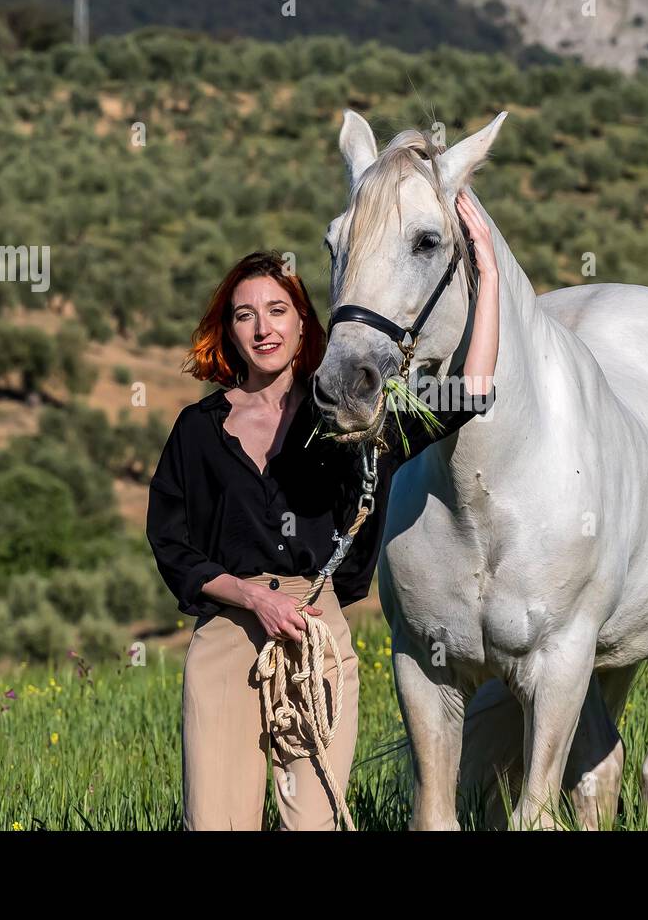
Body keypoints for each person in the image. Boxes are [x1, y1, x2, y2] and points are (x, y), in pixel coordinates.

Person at [145, 190, 500, 830]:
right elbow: (173, 547)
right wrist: (255, 600)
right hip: (228, 638)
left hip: (318, 635)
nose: (264, 328)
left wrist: (489, 271)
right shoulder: (197, 432)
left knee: (316, 824)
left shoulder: (351, 421)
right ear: (227, 329)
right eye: (245, 315)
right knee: (215, 823)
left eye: (278, 311)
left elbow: (471, 392)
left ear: (306, 323)